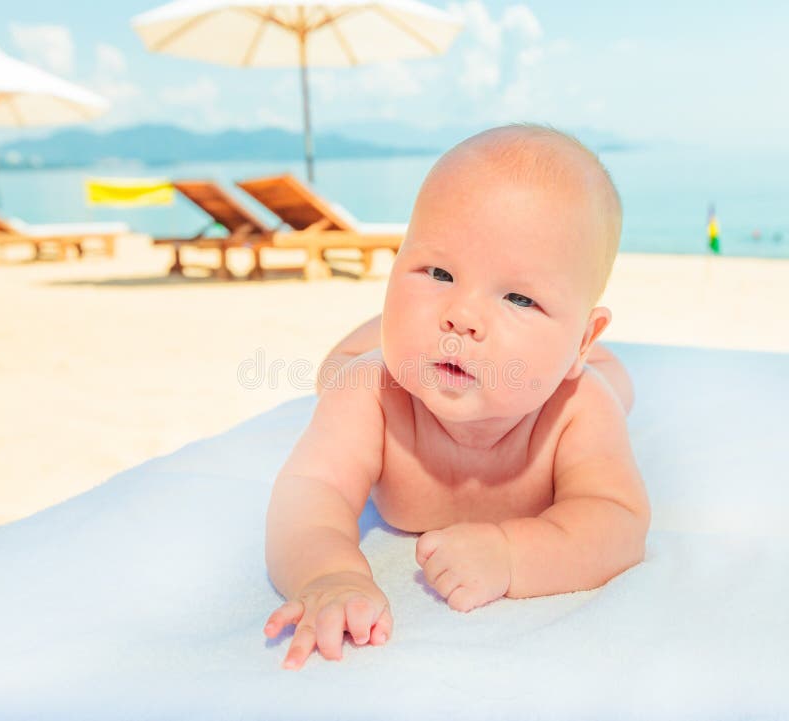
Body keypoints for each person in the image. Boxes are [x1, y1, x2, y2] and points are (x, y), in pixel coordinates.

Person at [264, 124, 651, 671]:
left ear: (584, 338)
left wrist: (514, 554)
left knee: (617, 386)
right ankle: (383, 329)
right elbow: (308, 491)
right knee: (339, 372)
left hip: (568, 377)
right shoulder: (371, 397)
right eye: (438, 272)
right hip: (383, 365)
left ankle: (548, 340)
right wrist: (328, 572)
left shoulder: (578, 411)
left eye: (519, 297)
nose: (463, 315)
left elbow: (618, 522)